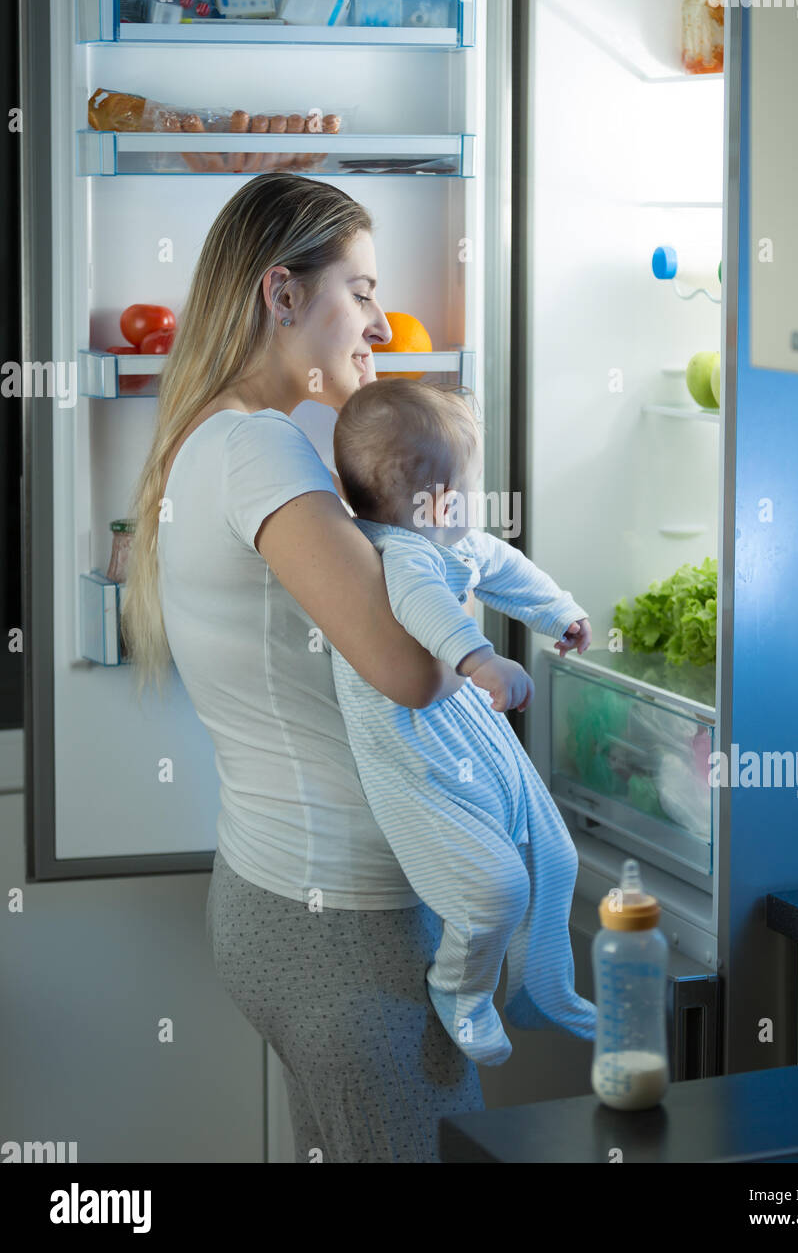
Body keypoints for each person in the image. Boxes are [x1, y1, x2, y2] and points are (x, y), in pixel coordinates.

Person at [121, 171, 484, 1163]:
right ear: (283, 294)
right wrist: (456, 540)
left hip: (273, 896)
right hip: (345, 928)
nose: (378, 321)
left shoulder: (210, 441)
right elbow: (413, 669)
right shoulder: (262, 450)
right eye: (361, 291)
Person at [330, 380, 597, 1066]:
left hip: (475, 735)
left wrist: (560, 612)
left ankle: (545, 987)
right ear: (443, 501)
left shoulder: (452, 540)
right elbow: (424, 607)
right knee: (495, 889)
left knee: (558, 858)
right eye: (473, 487)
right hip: (418, 750)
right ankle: (460, 991)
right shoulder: (398, 554)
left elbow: (506, 569)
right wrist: (482, 660)